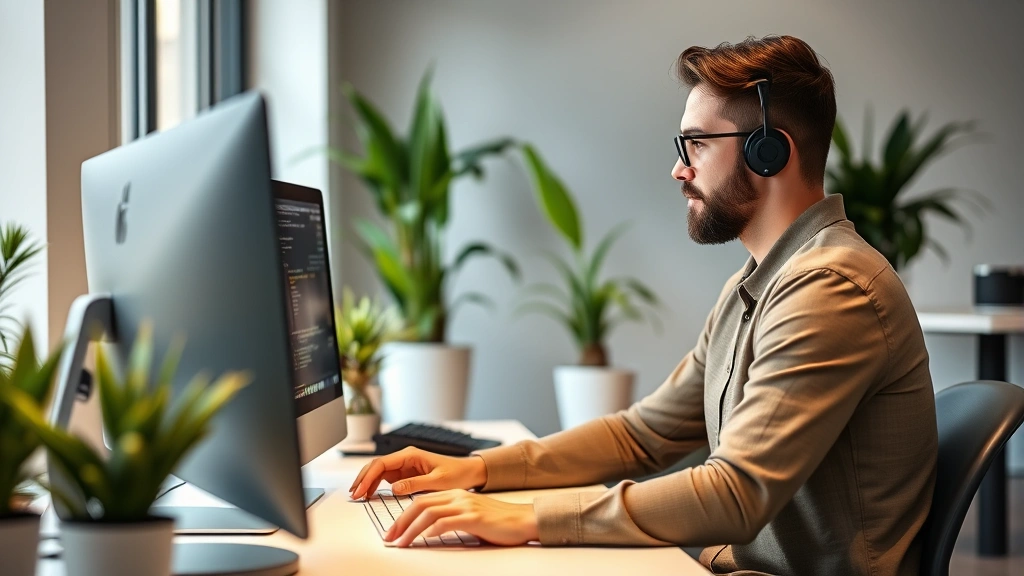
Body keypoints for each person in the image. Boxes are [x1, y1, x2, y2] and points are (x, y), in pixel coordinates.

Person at [349, 35, 938, 576]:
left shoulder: (830, 288)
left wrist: (529, 518)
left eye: (699, 145)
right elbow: (643, 435)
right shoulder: (763, 282)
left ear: (767, 153)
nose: (679, 169)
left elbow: (736, 493)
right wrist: (482, 471)